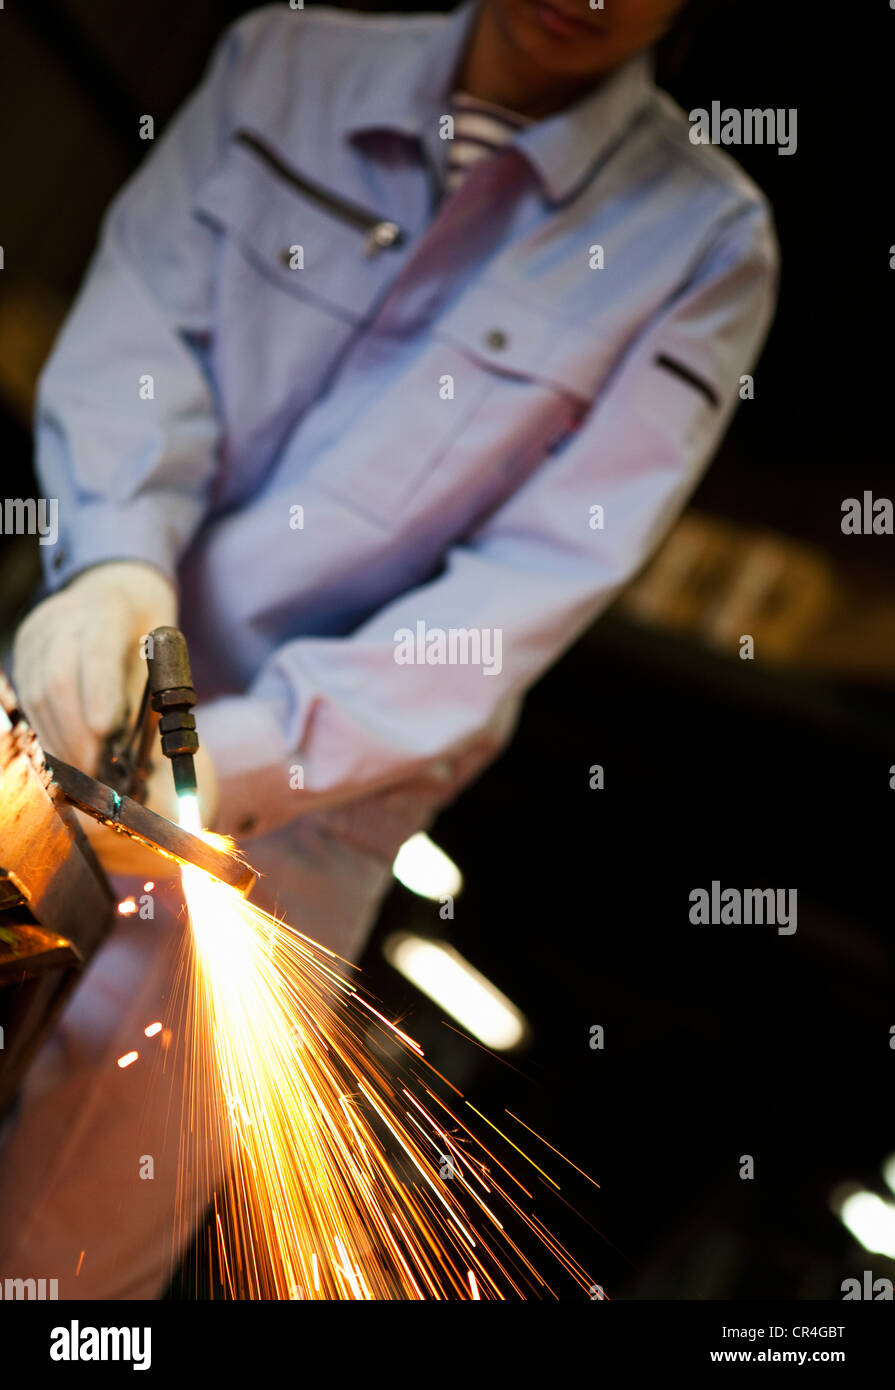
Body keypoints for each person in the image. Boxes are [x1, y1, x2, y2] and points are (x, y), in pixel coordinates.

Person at [1, 0, 778, 1298]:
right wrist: (120, 556)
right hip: (69, 694)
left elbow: (523, 591)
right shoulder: (288, 62)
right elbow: (142, 325)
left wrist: (245, 754)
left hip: (293, 829)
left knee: (64, 1270)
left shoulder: (700, 245)